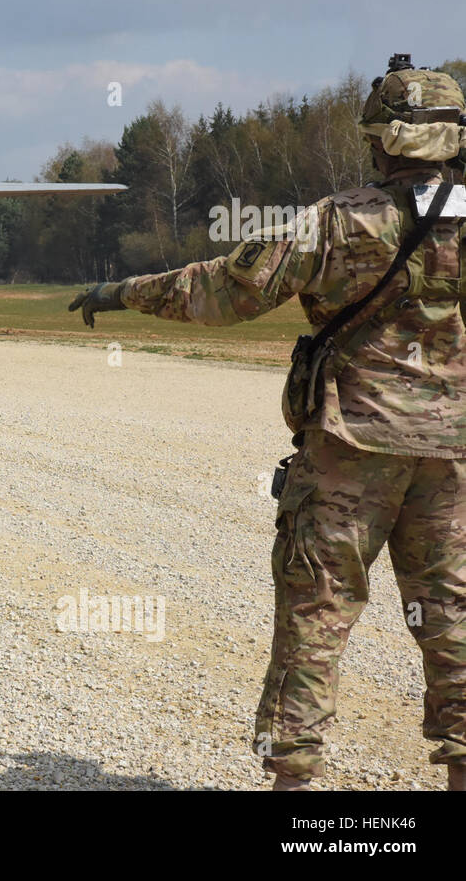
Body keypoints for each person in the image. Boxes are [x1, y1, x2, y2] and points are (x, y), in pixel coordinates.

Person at [68, 57, 466, 791]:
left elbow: (223, 290)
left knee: (316, 615)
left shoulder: (337, 221)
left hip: (352, 449)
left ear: (380, 141)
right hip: (452, 455)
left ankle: (293, 789)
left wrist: (121, 290)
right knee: (453, 622)